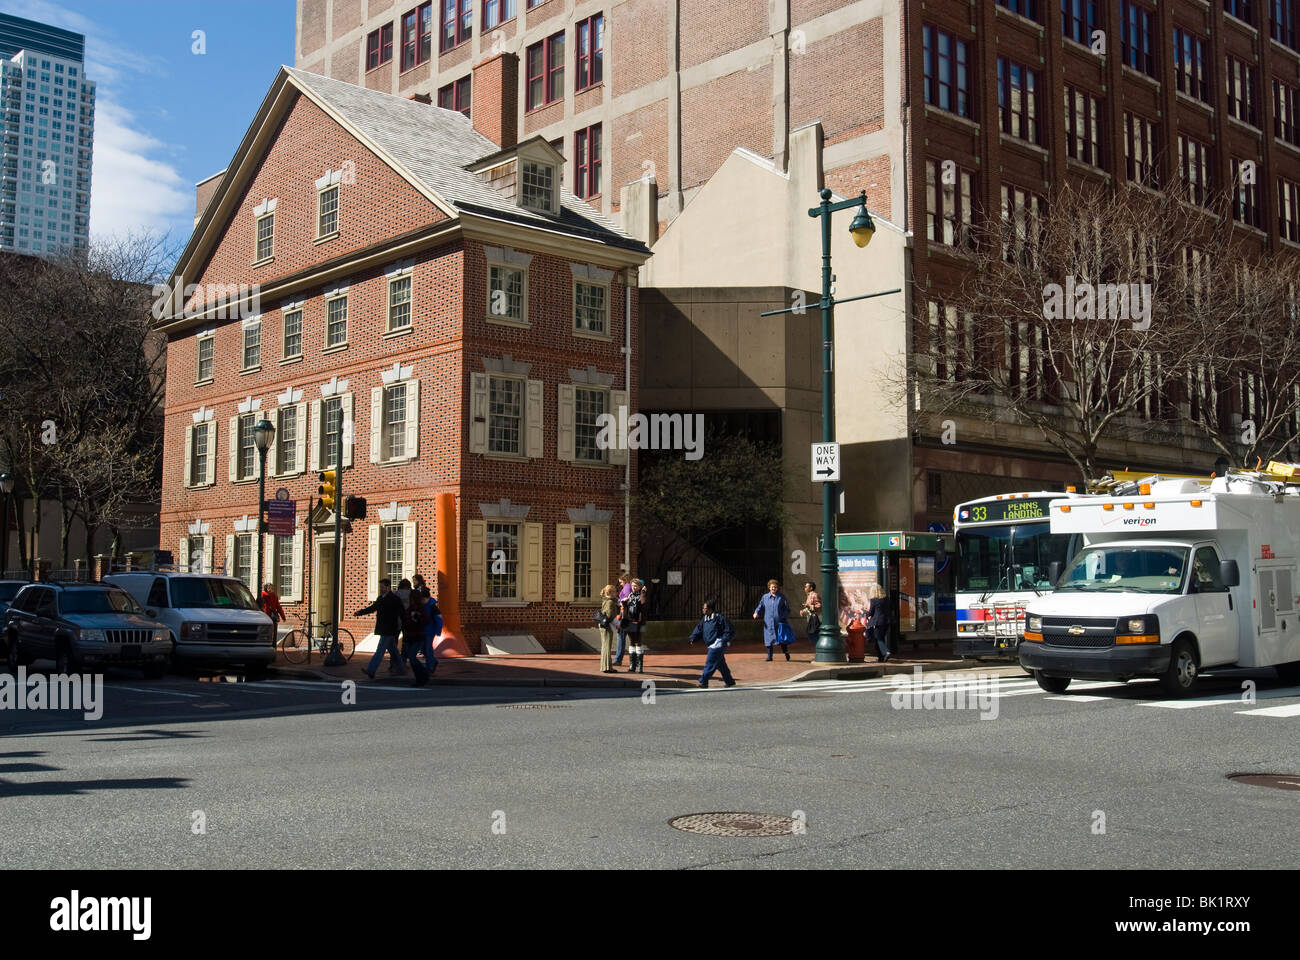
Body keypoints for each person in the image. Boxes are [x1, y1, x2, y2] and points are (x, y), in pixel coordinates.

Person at [355, 578, 406, 679]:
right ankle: (401, 668)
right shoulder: (380, 598)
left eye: (382, 587)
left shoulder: (394, 599)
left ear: (388, 587)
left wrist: (404, 625)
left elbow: (402, 612)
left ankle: (371, 670)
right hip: (383, 627)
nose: (381, 589)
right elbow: (373, 608)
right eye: (380, 587)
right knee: (394, 651)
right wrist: (360, 612)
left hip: (390, 628)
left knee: (380, 650)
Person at [689, 598, 736, 688]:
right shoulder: (704, 619)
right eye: (703, 608)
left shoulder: (719, 618)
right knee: (721, 664)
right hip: (710, 644)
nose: (703, 610)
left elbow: (729, 630)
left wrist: (722, 640)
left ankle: (703, 681)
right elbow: (699, 629)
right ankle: (729, 681)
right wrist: (693, 638)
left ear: (711, 609)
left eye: (705, 608)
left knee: (710, 663)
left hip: (717, 645)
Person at [753, 579, 793, 661]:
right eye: (772, 587)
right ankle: (769, 656)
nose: (773, 588)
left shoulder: (781, 597)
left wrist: (783, 616)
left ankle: (786, 653)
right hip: (768, 622)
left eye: (775, 587)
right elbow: (760, 606)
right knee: (768, 639)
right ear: (769, 587)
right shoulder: (765, 597)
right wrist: (756, 612)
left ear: (777, 588)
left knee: (781, 640)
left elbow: (787, 609)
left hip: (779, 622)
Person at [402, 589, 430, 686]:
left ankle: (422, 676)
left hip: (417, 635)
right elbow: (405, 622)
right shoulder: (409, 609)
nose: (411, 599)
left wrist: (417, 617)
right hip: (410, 635)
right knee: (411, 658)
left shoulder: (420, 608)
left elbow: (425, 621)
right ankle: (421, 677)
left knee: (412, 657)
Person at [622, 579, 648, 673]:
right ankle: (632, 665)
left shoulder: (642, 594)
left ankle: (640, 666)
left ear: (640, 586)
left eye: (636, 585)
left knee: (639, 641)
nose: (633, 587)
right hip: (630, 621)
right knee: (632, 642)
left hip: (640, 622)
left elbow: (643, 602)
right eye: (632, 585)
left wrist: (643, 592)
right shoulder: (630, 595)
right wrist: (624, 602)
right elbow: (626, 607)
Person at [612, 573, 634, 667]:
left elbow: (627, 600)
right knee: (624, 637)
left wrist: (619, 601)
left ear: (625, 580)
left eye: (621, 582)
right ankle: (628, 660)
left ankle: (618, 659)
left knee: (621, 636)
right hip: (625, 615)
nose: (620, 584)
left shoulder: (627, 587)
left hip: (625, 615)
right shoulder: (628, 587)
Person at [596, 583, 619, 673]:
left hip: (603, 626)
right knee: (607, 647)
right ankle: (607, 667)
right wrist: (617, 623)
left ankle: (605, 666)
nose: (616, 593)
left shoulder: (605, 600)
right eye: (614, 591)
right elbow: (610, 616)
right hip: (607, 627)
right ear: (610, 592)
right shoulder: (610, 602)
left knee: (605, 646)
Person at [867, 584, 891, 662]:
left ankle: (886, 652)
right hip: (886, 621)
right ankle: (880, 658)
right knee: (880, 638)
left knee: (878, 638)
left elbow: (871, 611)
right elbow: (891, 608)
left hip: (878, 622)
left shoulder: (874, 600)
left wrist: (866, 615)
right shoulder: (886, 599)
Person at [799, 580, 821, 651]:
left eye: (806, 587)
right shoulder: (809, 595)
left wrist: (809, 606)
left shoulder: (814, 595)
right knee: (811, 633)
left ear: (811, 588)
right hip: (810, 618)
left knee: (812, 633)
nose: (805, 588)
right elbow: (808, 607)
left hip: (815, 618)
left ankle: (819, 649)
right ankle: (818, 649)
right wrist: (803, 611)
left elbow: (819, 606)